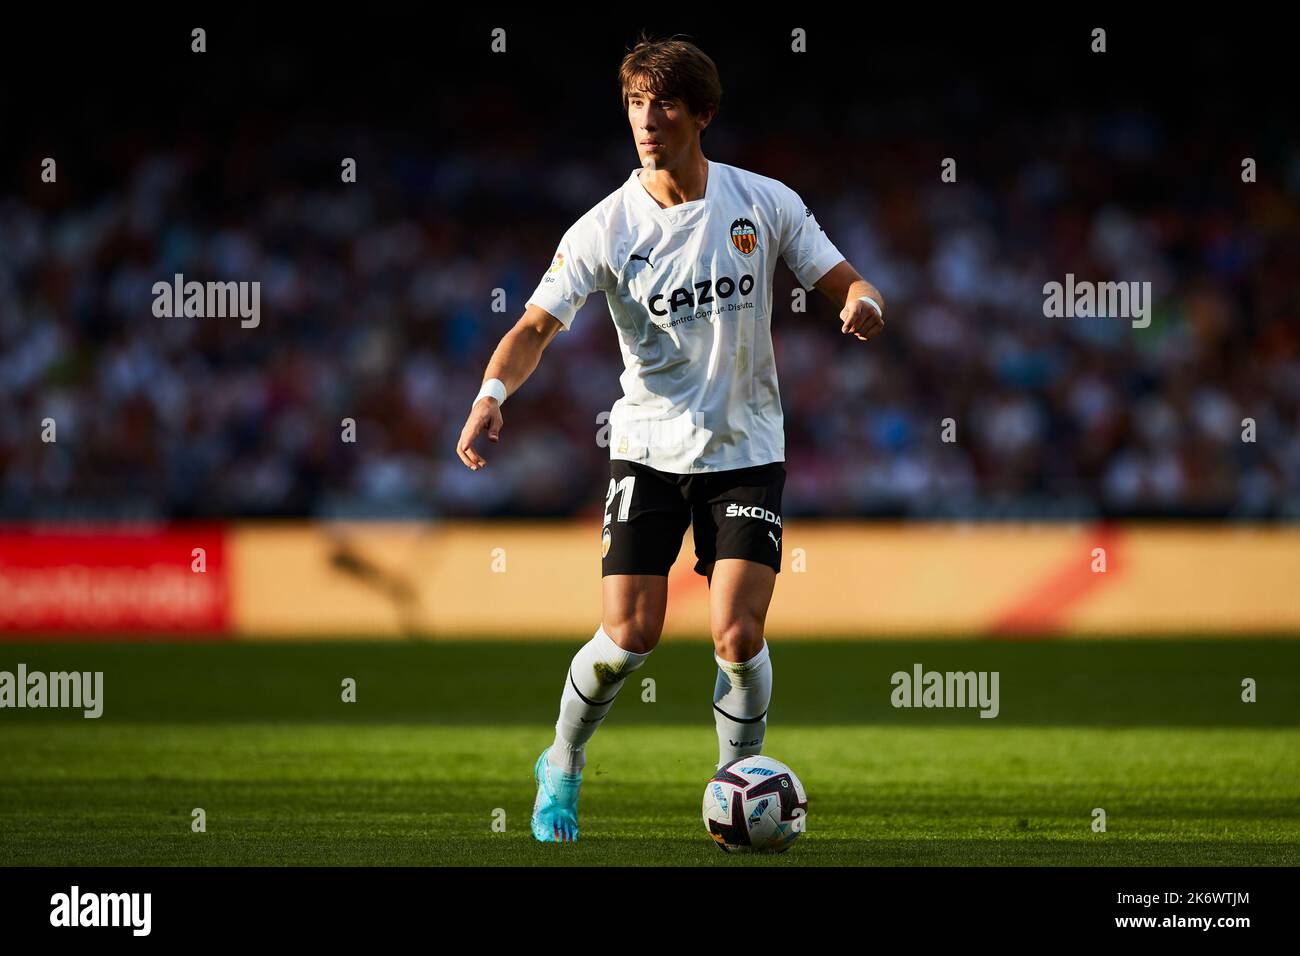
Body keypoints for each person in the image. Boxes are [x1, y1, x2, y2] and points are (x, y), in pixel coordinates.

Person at [455, 34, 885, 843]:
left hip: (747, 449)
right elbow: (534, 326)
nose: (646, 120)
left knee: (737, 632)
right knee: (630, 635)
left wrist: (864, 300)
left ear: (703, 113)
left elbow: (844, 279)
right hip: (648, 448)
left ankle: (737, 788)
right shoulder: (604, 227)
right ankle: (562, 763)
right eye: (634, 104)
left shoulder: (764, 202)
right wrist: (489, 394)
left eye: (664, 104)